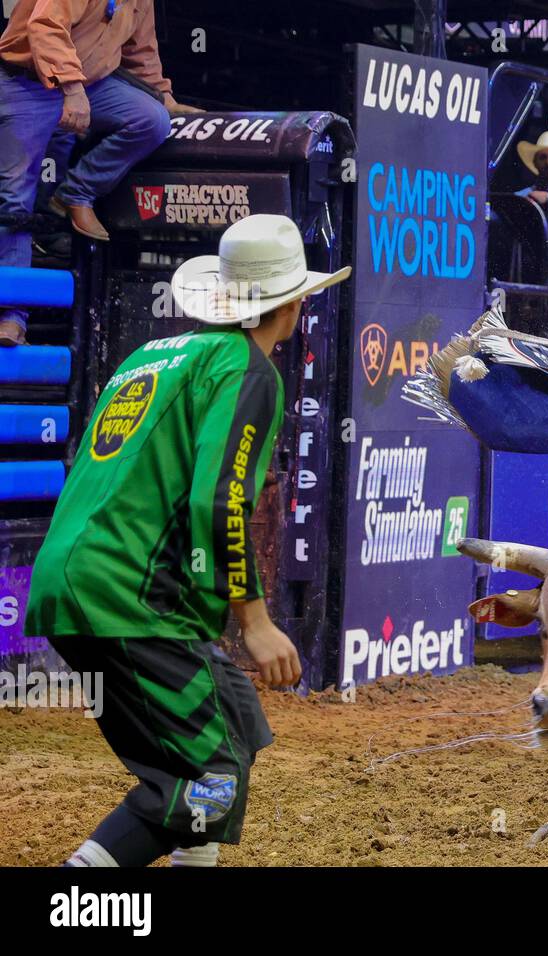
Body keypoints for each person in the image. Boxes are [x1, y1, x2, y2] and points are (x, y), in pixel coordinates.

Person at [25, 215, 351, 866]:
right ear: (290, 303)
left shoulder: (151, 358)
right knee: (207, 780)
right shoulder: (246, 369)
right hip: (128, 597)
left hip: (75, 586)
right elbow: (219, 495)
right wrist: (253, 619)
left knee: (233, 725)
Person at [0, 0, 199, 346]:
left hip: (89, 84)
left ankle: (75, 192)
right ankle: (11, 316)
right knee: (16, 198)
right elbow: (46, 25)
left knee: (151, 121)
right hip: (29, 82)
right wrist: (71, 90)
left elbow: (141, 50)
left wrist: (164, 97)